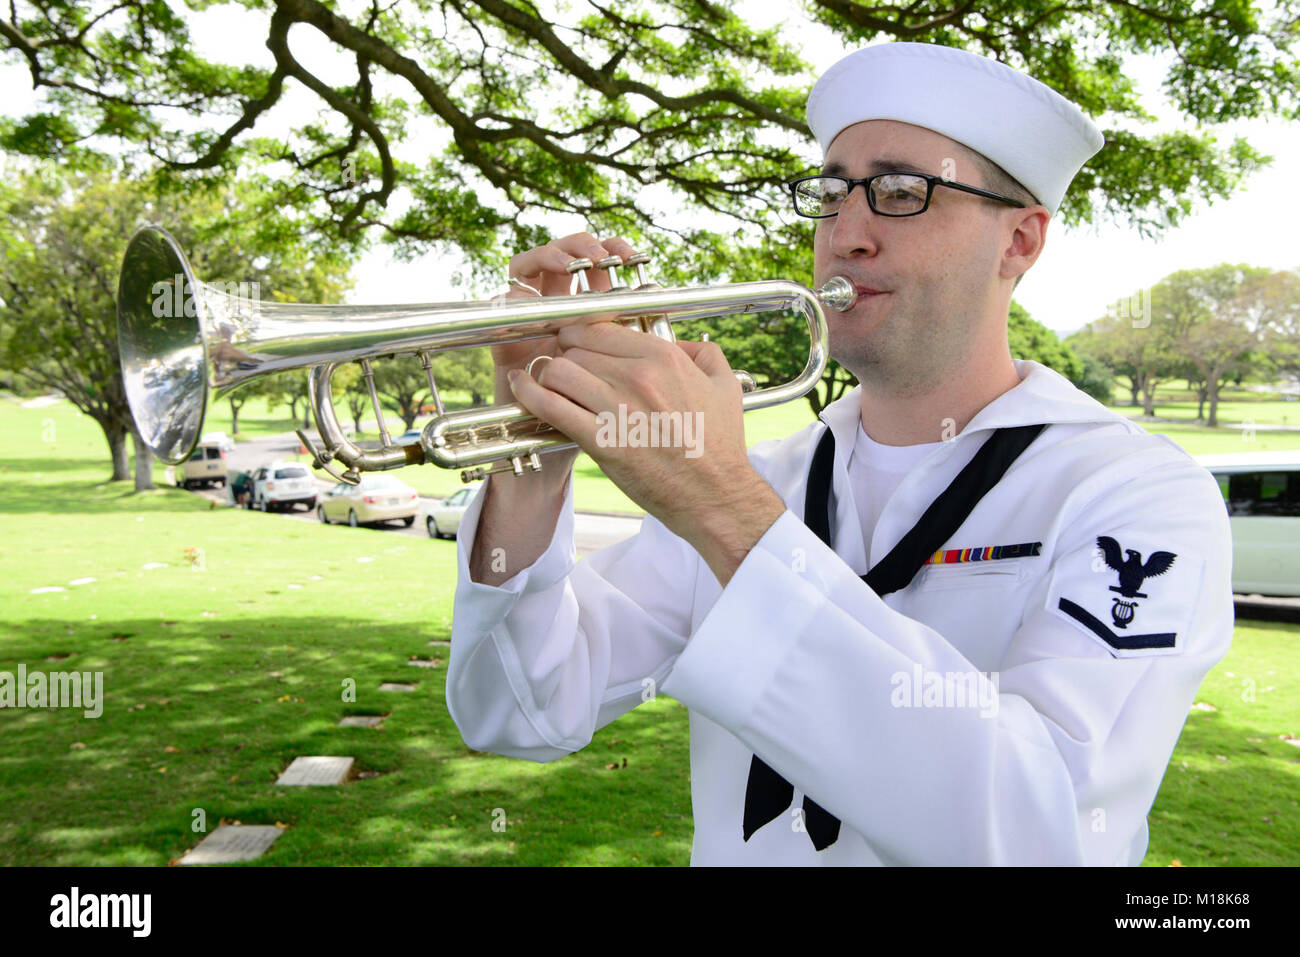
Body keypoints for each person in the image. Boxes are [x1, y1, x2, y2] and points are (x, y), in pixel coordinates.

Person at [444, 42, 1234, 865]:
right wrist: (534, 451)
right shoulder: (768, 476)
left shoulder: (1136, 493)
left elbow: (1044, 831)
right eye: (830, 194)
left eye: (900, 192)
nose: (846, 234)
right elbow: (519, 710)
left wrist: (720, 504)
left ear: (1021, 241)